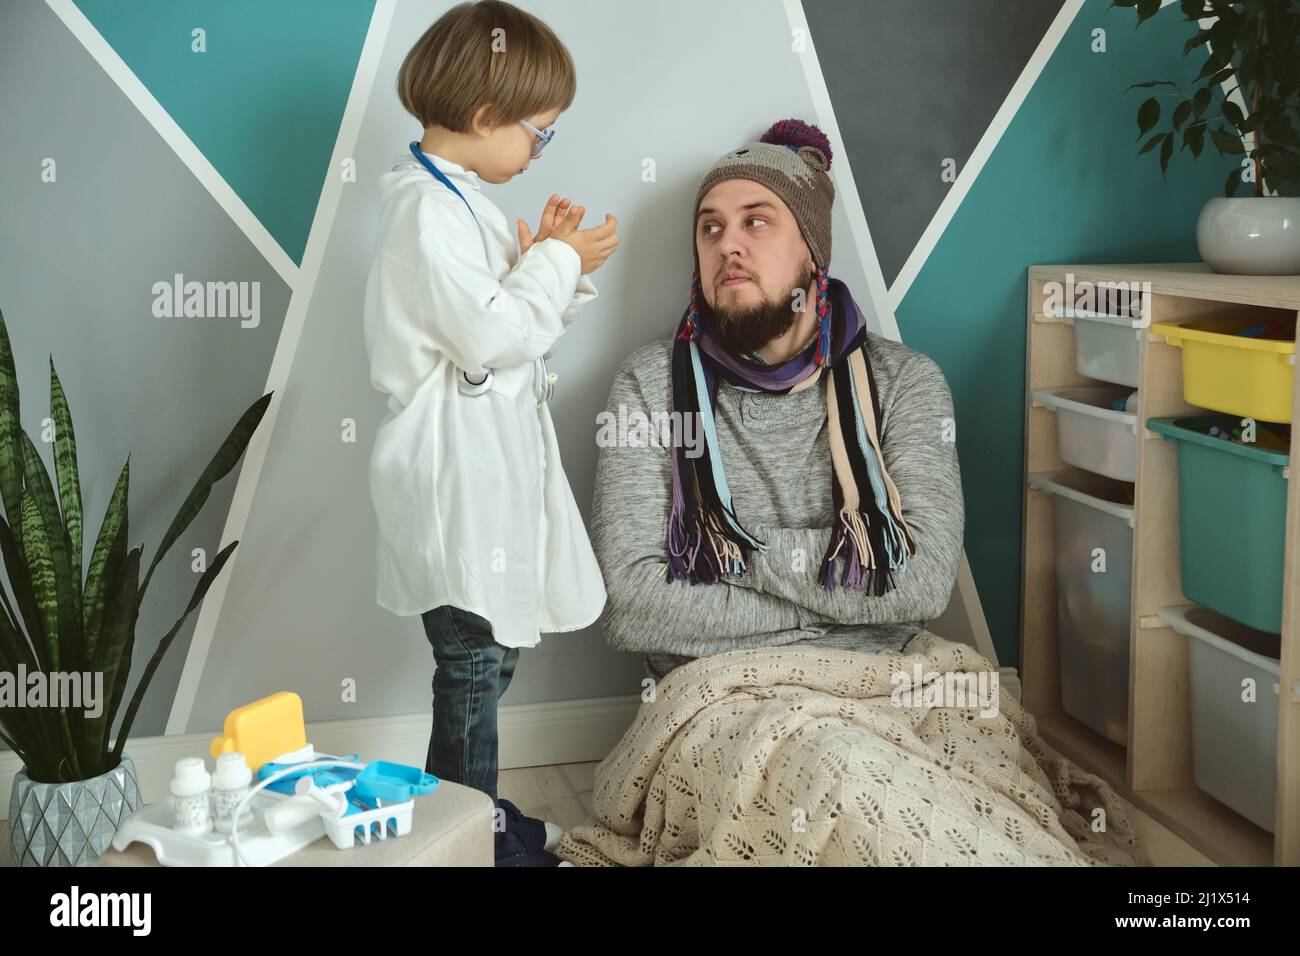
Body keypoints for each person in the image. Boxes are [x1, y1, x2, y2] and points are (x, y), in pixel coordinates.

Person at [362, 0, 618, 867]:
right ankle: (469, 837)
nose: (539, 151)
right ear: (483, 118)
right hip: (451, 478)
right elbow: (491, 335)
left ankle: (475, 815)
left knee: (490, 657)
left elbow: (508, 322)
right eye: (539, 135)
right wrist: (558, 262)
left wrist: (543, 259)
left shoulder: (456, 203)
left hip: (484, 470)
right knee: (472, 669)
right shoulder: (424, 215)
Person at [592, 119, 963, 683]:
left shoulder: (907, 383)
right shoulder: (650, 387)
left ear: (813, 252)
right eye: (709, 229)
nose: (727, 245)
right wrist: (836, 603)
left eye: (756, 221)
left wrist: (721, 557)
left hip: (890, 683)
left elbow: (925, 582)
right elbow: (631, 606)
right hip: (717, 691)